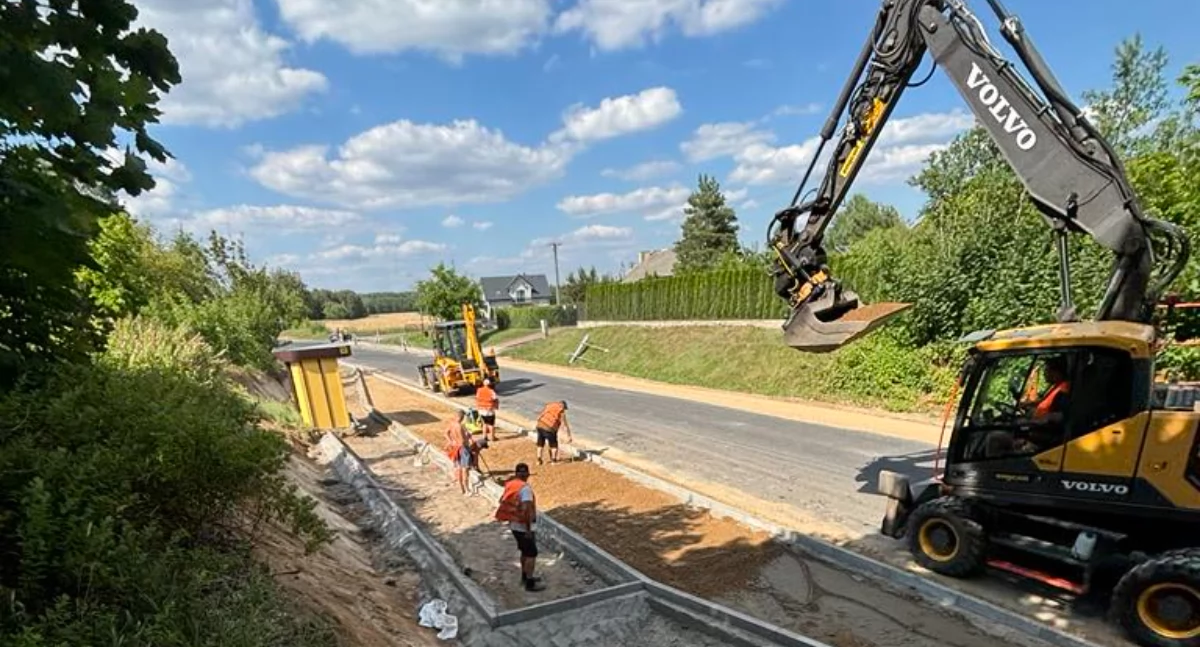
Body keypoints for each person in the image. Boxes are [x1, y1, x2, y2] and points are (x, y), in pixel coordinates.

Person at [494, 462, 543, 591]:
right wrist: (528, 529)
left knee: (524, 552)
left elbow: (502, 500)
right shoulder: (525, 489)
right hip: (524, 526)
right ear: (527, 474)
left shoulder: (511, 485)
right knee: (532, 554)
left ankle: (524, 576)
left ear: (516, 474)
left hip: (514, 524)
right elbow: (527, 510)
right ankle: (530, 583)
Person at [534, 400, 573, 465]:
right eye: (564, 408)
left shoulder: (550, 406)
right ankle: (553, 460)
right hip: (550, 428)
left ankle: (539, 460)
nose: (564, 410)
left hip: (540, 425)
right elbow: (565, 425)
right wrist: (568, 436)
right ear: (563, 406)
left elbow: (541, 414)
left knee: (540, 443)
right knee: (554, 445)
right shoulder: (561, 411)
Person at [444, 410, 473, 495]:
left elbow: (445, 433)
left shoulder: (452, 424)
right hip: (463, 449)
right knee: (465, 470)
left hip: (455, 448)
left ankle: (462, 489)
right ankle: (467, 489)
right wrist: (468, 437)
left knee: (459, 468)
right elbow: (462, 441)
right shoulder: (460, 426)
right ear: (462, 417)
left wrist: (451, 441)